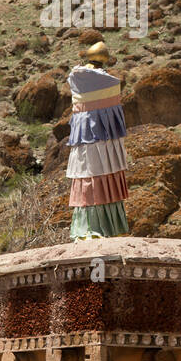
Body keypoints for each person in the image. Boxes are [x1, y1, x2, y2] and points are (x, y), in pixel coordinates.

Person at [66, 40, 129, 240]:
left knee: (88, 175)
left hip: (84, 136)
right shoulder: (109, 81)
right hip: (104, 137)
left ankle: (87, 228)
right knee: (103, 173)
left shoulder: (75, 77)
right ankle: (108, 226)